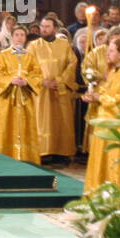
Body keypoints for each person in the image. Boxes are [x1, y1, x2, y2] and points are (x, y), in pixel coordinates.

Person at [81, 36, 120, 197]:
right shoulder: (114, 71)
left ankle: (117, 198)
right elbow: (107, 93)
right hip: (107, 125)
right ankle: (100, 197)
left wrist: (99, 98)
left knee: (115, 165)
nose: (107, 54)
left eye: (111, 51)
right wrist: (93, 96)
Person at [0, 25, 43, 163]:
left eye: (22, 35)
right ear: (12, 37)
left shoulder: (30, 56)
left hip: (25, 98)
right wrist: (10, 80)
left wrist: (27, 81)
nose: (19, 38)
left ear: (25, 38)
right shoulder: (3, 55)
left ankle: (27, 157)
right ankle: (4, 156)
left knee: (26, 125)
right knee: (7, 124)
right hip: (9, 98)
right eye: (17, 35)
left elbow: (37, 74)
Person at [29, 15, 78, 163]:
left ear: (55, 28)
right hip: (42, 91)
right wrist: (42, 82)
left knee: (62, 121)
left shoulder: (64, 44)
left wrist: (60, 80)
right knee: (42, 121)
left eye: (47, 27)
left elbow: (72, 63)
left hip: (60, 90)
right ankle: (43, 152)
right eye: (42, 26)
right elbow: (28, 67)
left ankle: (62, 153)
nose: (44, 29)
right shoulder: (34, 46)